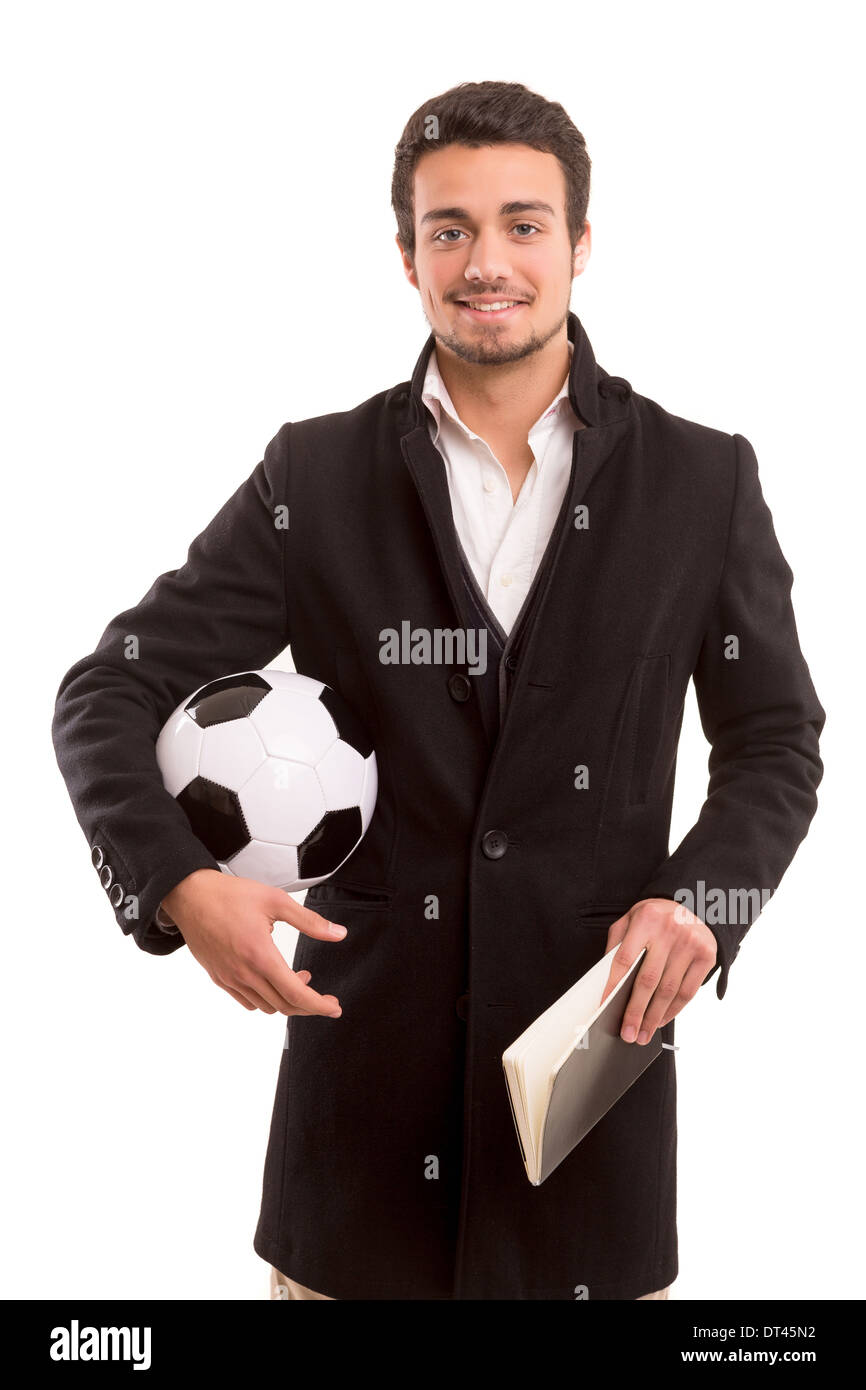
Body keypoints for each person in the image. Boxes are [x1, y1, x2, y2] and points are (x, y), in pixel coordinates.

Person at [51, 80, 825, 1301]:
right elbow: (108, 688)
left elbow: (775, 741)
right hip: (351, 1167)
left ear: (579, 245)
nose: (485, 261)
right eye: (446, 228)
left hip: (587, 1157)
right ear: (405, 256)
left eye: (523, 224)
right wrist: (178, 885)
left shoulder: (701, 480)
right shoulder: (315, 471)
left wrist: (699, 903)